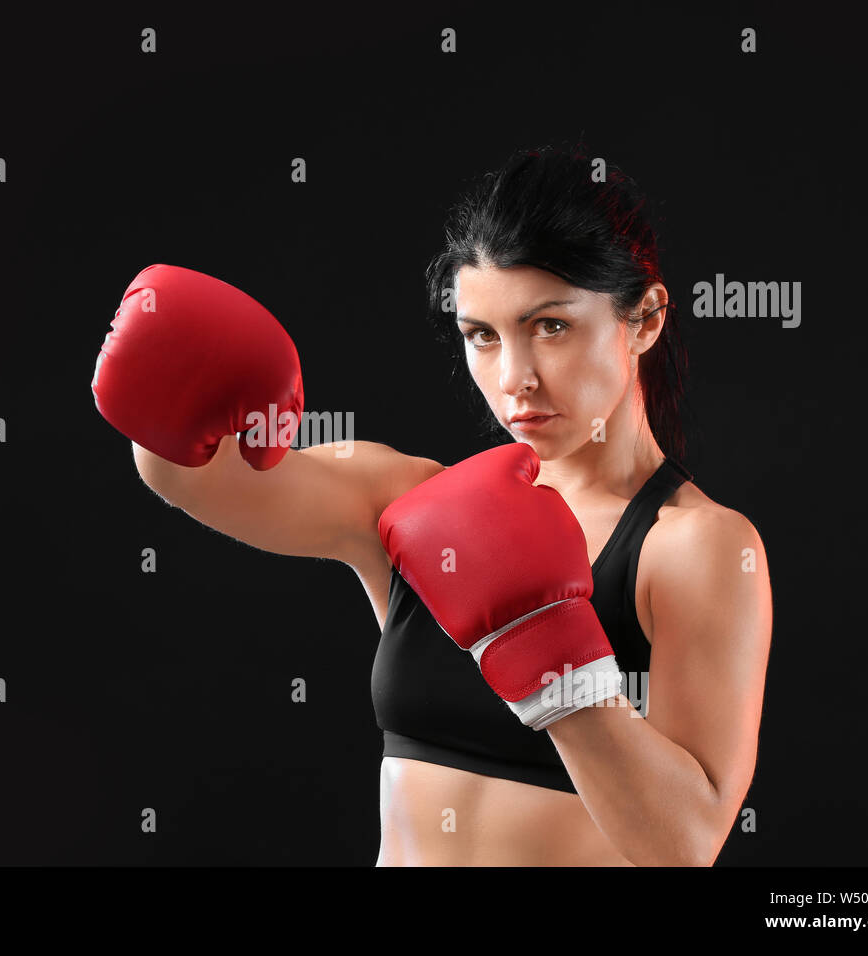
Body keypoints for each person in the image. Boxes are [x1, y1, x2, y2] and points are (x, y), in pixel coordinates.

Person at [93, 145, 773, 866]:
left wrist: (554, 665)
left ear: (645, 318)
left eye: (551, 326)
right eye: (482, 336)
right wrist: (175, 385)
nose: (515, 378)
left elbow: (687, 844)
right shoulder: (411, 501)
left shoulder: (695, 546)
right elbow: (195, 476)